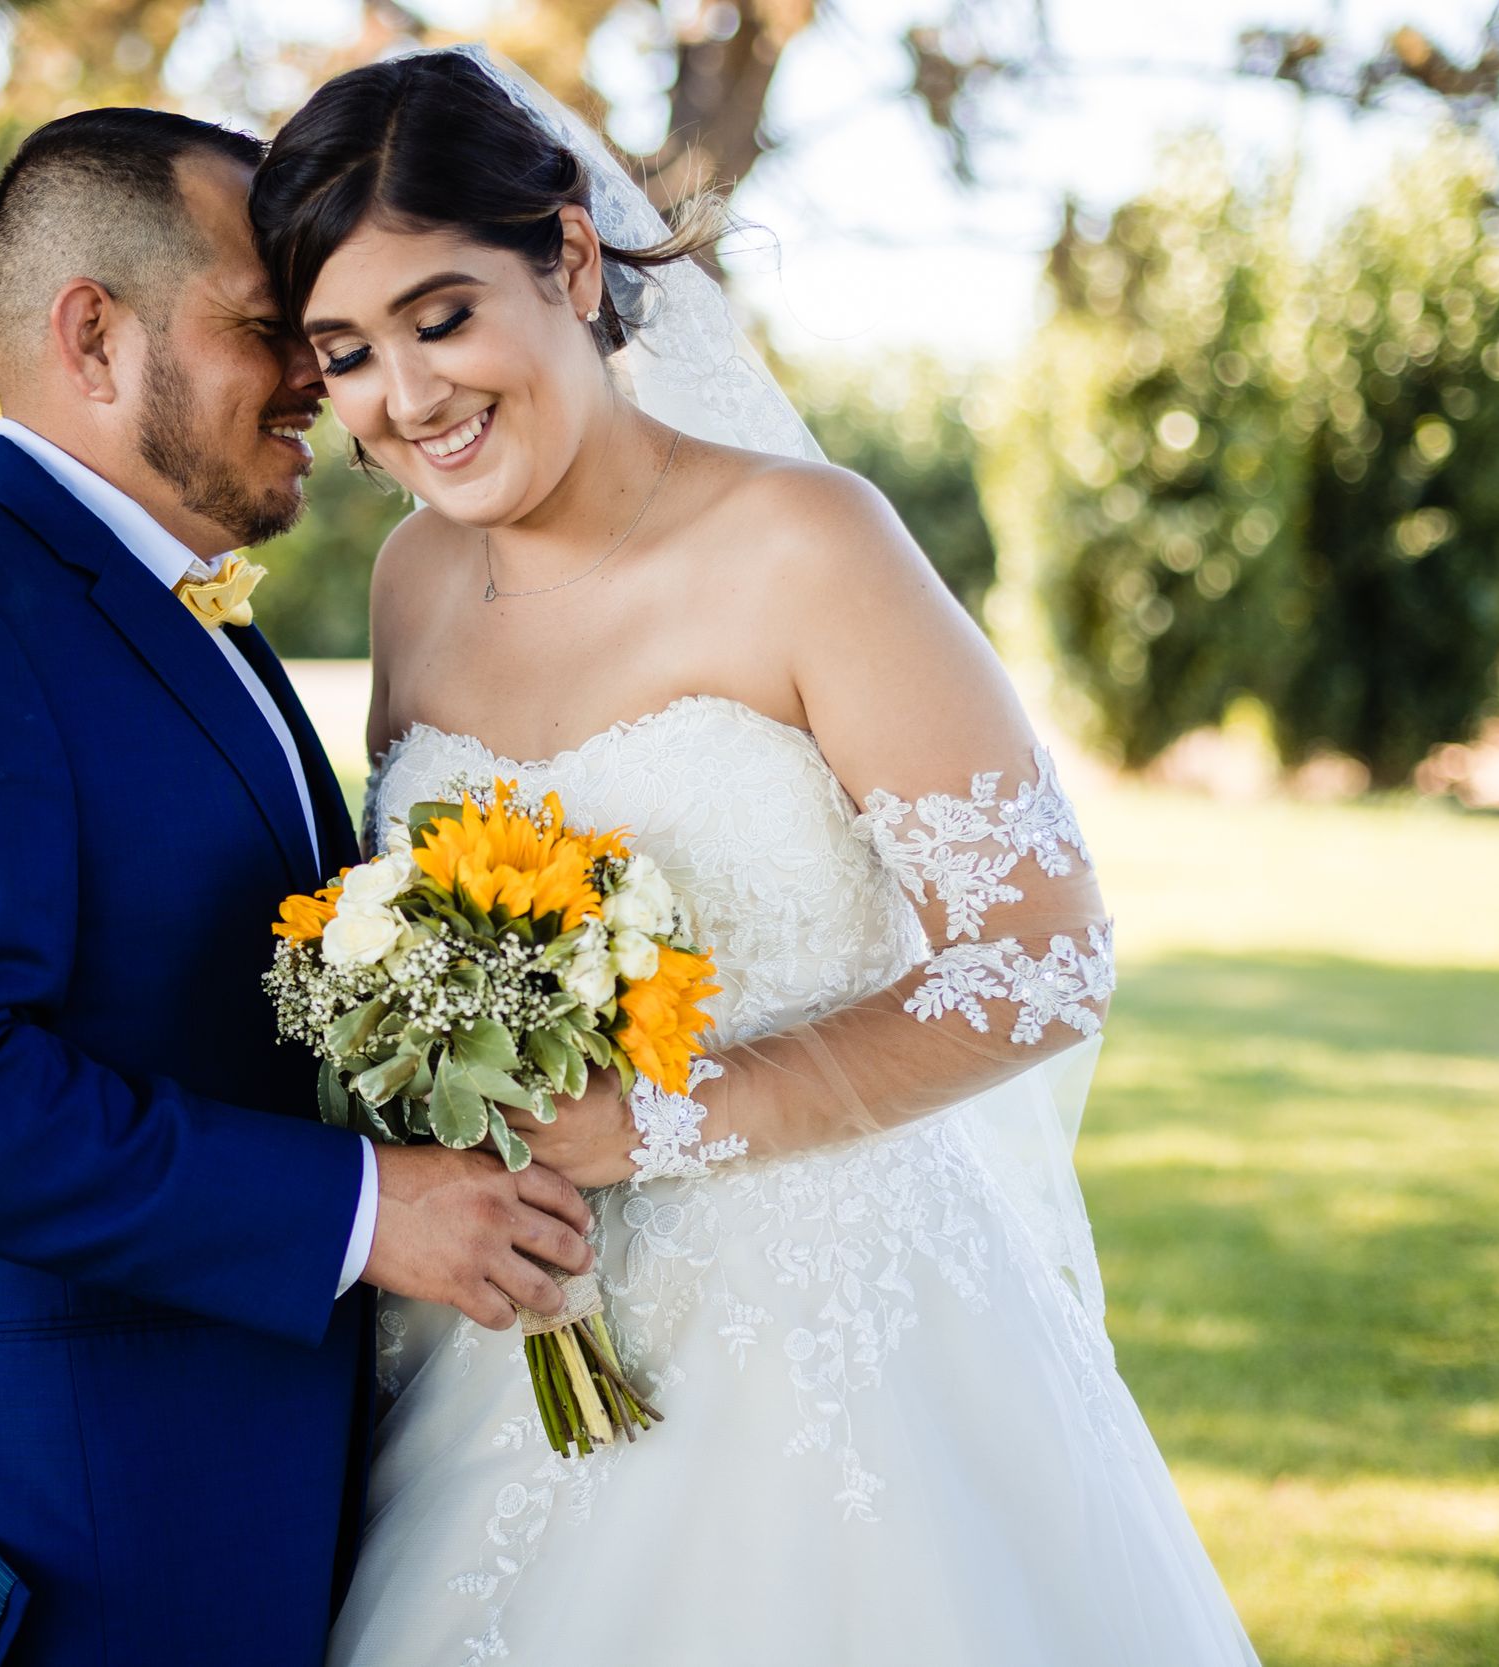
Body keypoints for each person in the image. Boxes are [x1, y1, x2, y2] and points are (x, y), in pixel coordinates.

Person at [249, 48, 1263, 1665]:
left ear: (570, 261)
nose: (408, 397)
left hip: (832, 1344)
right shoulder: (414, 585)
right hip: (517, 1324)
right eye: (347, 351)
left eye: (443, 316)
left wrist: (650, 1118)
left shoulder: (809, 543)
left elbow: (1042, 955)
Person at [0, 105, 599, 1667]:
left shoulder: (191, 610)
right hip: (74, 1523)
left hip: (245, 1478)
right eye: (265, 328)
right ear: (95, 334)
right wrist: (364, 1212)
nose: (319, 379)